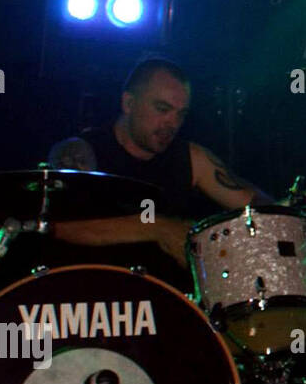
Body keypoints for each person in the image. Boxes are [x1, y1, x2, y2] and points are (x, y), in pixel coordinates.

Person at [47, 56, 272, 288]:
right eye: (162, 109)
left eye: (180, 114)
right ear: (128, 103)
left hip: (169, 305)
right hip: (93, 302)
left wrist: (283, 213)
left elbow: (254, 203)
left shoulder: (189, 157)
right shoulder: (83, 152)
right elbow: (54, 227)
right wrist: (157, 228)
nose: (172, 123)